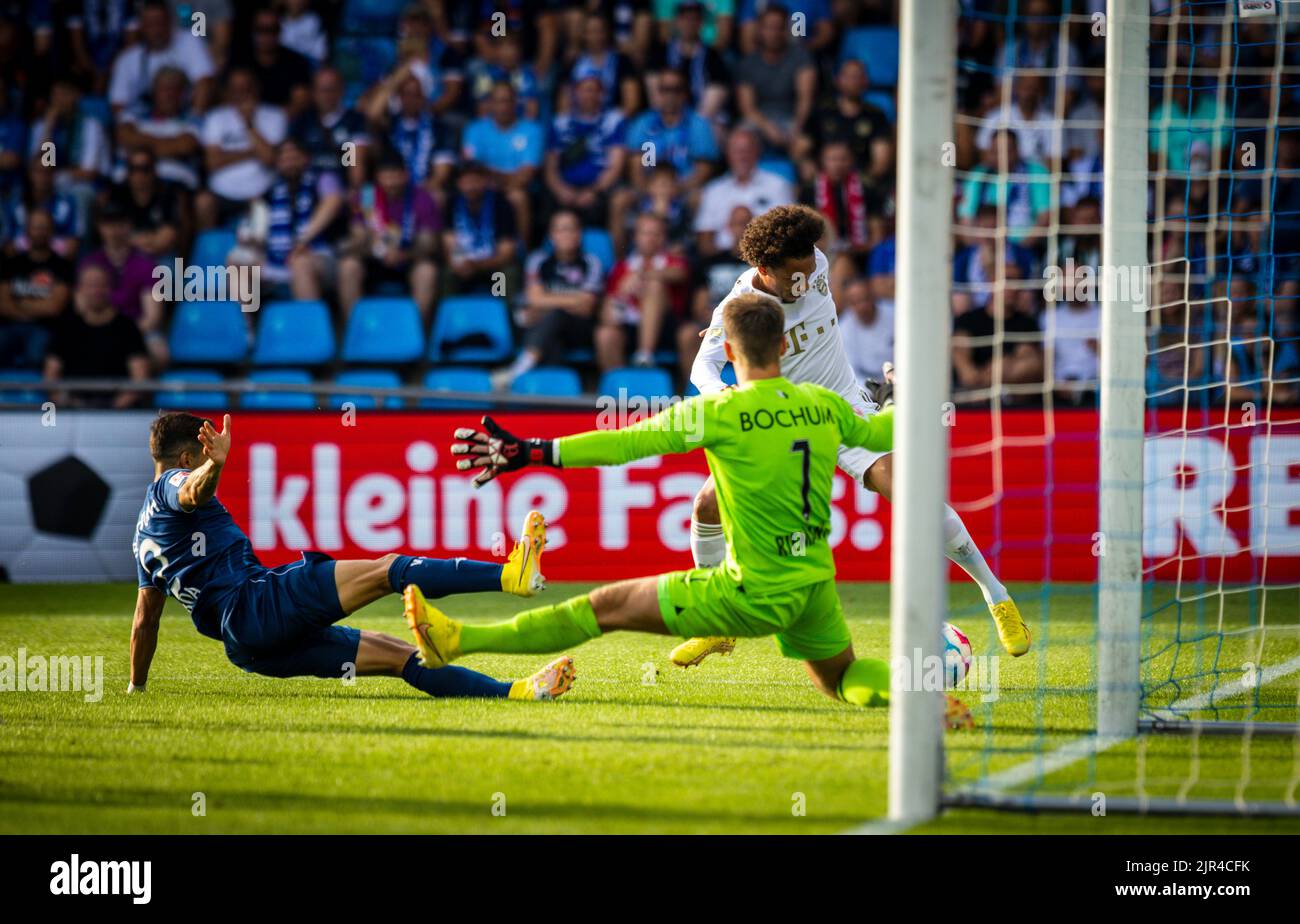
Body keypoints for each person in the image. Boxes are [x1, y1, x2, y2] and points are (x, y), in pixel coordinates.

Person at [421, 295, 970, 728]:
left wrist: (531, 452)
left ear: (728, 353)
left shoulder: (717, 411)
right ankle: (921, 703)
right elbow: (882, 430)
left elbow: (623, 444)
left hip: (752, 588)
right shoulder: (823, 405)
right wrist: (903, 394)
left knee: (604, 606)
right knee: (843, 677)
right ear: (784, 344)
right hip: (813, 584)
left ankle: (460, 640)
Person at [683, 205, 1030, 665]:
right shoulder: (738, 310)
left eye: (810, 270)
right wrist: (725, 392)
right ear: (763, 270)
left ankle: (997, 597)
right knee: (706, 505)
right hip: (778, 423)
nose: (807, 282)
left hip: (839, 406)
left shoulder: (817, 264)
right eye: (795, 277)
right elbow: (701, 368)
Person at [128, 412, 573, 701]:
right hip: (257, 603)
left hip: (246, 648)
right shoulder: (176, 484)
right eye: (199, 453)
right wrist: (216, 465)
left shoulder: (142, 536)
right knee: (388, 570)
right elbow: (188, 491)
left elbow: (144, 623)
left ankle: (516, 692)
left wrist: (137, 686)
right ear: (187, 455)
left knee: (401, 656)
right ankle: (511, 577)